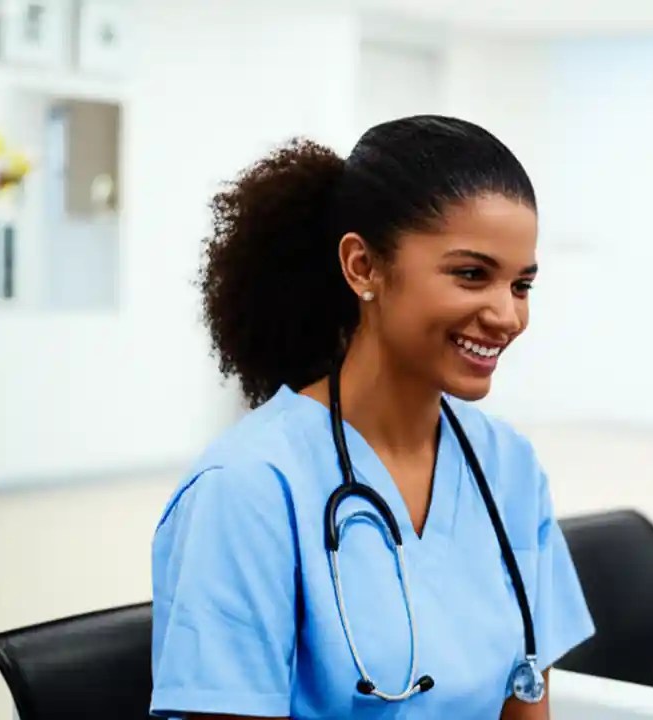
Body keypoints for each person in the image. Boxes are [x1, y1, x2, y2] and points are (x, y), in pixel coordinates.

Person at [149, 115, 595, 719]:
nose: (507, 316)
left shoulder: (507, 467)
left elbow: (525, 702)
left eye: (521, 285)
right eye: (471, 275)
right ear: (363, 266)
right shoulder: (250, 488)